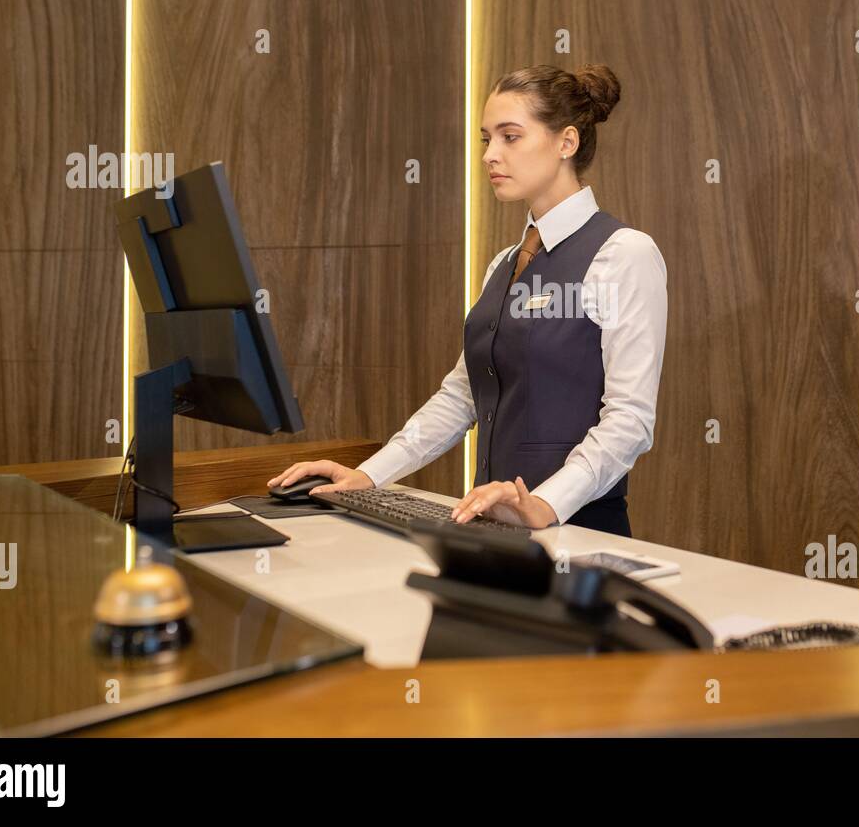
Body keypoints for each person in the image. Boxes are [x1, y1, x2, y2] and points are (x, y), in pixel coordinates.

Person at [269, 64, 666, 535]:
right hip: (490, 529)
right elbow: (461, 397)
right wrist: (368, 476)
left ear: (567, 142)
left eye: (510, 137)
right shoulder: (504, 263)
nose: (490, 155)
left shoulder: (624, 253)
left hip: (576, 534)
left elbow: (631, 420)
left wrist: (544, 502)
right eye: (486, 139)